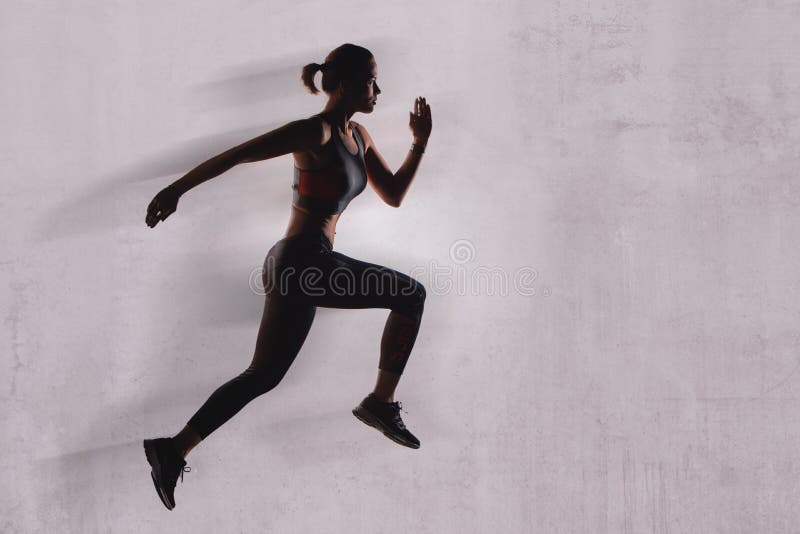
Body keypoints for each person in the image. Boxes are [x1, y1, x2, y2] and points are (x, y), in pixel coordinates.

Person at [142, 43, 432, 510]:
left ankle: (172, 450)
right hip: (302, 261)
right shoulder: (315, 132)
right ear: (344, 83)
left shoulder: (359, 136)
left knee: (263, 375)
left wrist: (419, 143)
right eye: (370, 80)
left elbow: (394, 194)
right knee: (410, 294)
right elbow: (240, 154)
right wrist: (177, 189)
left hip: (299, 266)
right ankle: (380, 403)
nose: (378, 89)